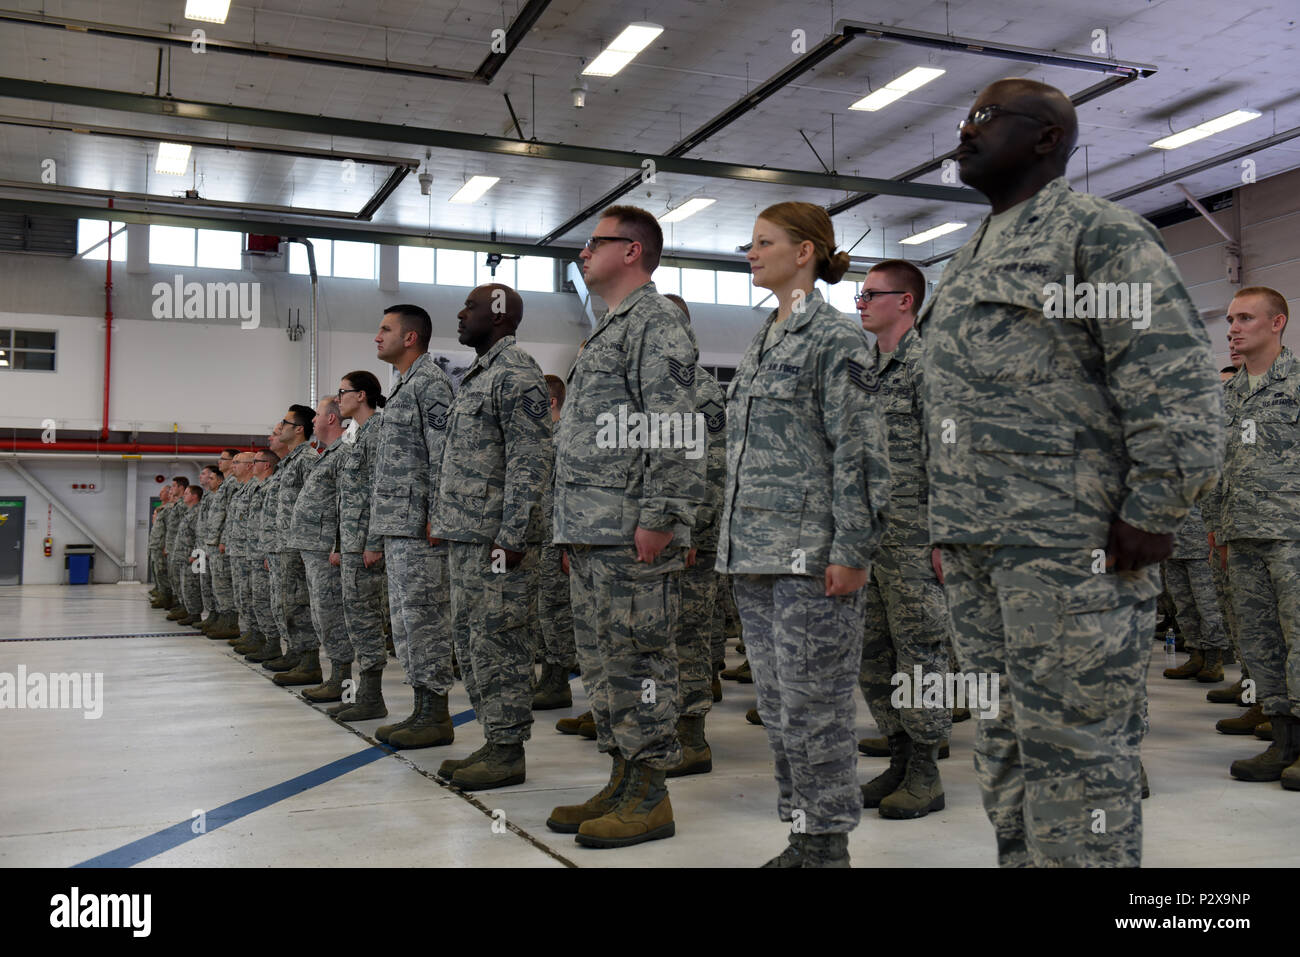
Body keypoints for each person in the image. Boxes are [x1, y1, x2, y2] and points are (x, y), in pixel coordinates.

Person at [918, 78, 1223, 866]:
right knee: (1004, 739)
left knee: (1078, 749)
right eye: (965, 119)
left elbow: (1176, 380)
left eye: (985, 119)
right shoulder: (964, 258)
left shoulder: (1098, 235)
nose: (966, 132)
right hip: (981, 548)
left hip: (1073, 544)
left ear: (1048, 137)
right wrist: (945, 524)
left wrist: (1155, 508)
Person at [718, 201, 888, 868]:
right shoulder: (765, 337)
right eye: (751, 242)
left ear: (805, 252)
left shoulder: (836, 339)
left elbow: (862, 454)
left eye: (764, 242)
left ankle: (826, 844)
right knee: (780, 706)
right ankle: (804, 834)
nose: (751, 253)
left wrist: (852, 550)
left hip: (812, 560)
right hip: (756, 555)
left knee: (817, 708)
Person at [546, 205, 706, 848]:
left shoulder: (656, 324)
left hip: (630, 529)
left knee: (641, 660)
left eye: (595, 243)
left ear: (632, 251)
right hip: (594, 530)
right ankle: (622, 777)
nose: (583, 254)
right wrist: (571, 530)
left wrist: (662, 516)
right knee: (605, 664)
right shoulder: (610, 328)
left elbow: (676, 427)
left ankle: (651, 794)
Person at [433, 283, 553, 789]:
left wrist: (515, 534)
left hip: (497, 542)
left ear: (500, 316)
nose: (461, 315)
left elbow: (531, 457)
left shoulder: (516, 373)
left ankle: (508, 750)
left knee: (501, 640)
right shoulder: (478, 376)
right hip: (469, 536)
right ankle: (492, 739)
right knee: (473, 640)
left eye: (471, 307)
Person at [854, 259, 953, 819]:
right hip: (867, 543)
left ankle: (926, 769)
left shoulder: (929, 366)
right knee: (873, 656)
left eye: (871, 294)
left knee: (922, 655)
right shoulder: (861, 369)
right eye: (860, 296)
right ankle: (896, 755)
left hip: (916, 541)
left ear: (906, 302)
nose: (862, 303)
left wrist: (946, 536)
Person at [1207, 286, 1300, 786]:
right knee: (1261, 643)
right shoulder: (1227, 394)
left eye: (1245, 318)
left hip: (1293, 536)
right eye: (1230, 319)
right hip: (1241, 536)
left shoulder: (1298, 383)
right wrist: (1216, 529)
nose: (1233, 328)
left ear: (1277, 323)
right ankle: (1282, 739)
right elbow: (1219, 469)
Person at [370, 304, 457, 750]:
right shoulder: (402, 386)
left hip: (421, 528)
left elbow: (444, 455)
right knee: (405, 623)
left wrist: (438, 517)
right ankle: (423, 708)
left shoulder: (431, 384)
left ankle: (436, 713)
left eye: (385, 329)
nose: (376, 336)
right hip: (398, 526)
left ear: (410, 338)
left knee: (425, 619)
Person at [662, 292, 726, 777]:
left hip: (689, 540)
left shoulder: (699, 391)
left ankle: (692, 735)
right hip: (649, 537)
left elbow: (712, 471)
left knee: (687, 634)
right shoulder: (651, 387)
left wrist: (689, 533)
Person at [330, 371, 390, 721]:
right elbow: (349, 496)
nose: (339, 398)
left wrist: (373, 542)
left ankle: (372, 698)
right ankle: (362, 695)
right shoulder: (357, 434)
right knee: (356, 619)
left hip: (365, 545)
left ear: (362, 395)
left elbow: (379, 488)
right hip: (352, 543)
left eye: (344, 392)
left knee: (366, 620)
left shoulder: (377, 432)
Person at [284, 397, 351, 693]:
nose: (313, 420)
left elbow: (346, 503)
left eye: (318, 414)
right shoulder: (325, 455)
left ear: (332, 419)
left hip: (327, 550)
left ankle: (344, 684)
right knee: (320, 614)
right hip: (312, 547)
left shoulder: (344, 454)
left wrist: (339, 545)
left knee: (332, 615)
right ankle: (335, 679)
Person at [264, 405, 321, 680]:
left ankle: (310, 663)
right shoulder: (290, 462)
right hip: (285, 544)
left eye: (285, 422)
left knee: (299, 603)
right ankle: (298, 655)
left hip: (299, 545)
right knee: (289, 603)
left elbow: (318, 502)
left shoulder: (308, 459)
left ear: (299, 428)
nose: (280, 426)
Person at [533, 373, 578, 712]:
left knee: (556, 611)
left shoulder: (564, 439)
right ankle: (549, 673)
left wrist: (565, 545)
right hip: (541, 539)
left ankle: (559, 679)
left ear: (550, 403)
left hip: (556, 539)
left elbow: (566, 495)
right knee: (544, 611)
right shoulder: (544, 439)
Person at [244, 449, 283, 663]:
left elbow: (275, 521)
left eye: (255, 461)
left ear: (266, 465)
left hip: (266, 551)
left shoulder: (271, 486)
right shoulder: (258, 487)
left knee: (267, 599)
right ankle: (264, 639)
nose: (252, 465)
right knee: (256, 597)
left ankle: (273, 643)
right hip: (255, 549)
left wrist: (270, 551)